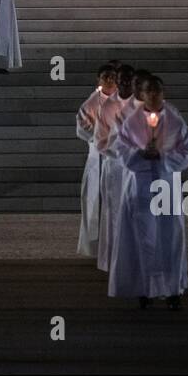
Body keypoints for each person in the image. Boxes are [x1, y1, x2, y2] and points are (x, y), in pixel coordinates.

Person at [108, 74, 188, 309]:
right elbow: (121, 148)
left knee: (171, 238)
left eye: (158, 91)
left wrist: (164, 157)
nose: (154, 95)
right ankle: (144, 287)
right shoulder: (132, 121)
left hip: (166, 186)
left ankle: (172, 289)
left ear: (163, 93)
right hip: (142, 187)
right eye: (149, 91)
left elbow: (187, 150)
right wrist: (140, 155)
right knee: (143, 239)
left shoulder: (175, 121)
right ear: (142, 94)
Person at [76, 64, 128, 260]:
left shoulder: (123, 101)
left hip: (118, 158)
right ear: (98, 80)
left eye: (112, 77)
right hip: (98, 157)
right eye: (105, 77)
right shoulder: (92, 102)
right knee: (95, 201)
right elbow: (82, 126)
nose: (109, 81)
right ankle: (96, 247)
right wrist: (101, 137)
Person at [98, 64, 137, 272]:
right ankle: (113, 260)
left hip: (136, 169)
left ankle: (132, 259)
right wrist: (119, 150)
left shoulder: (140, 105)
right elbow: (100, 140)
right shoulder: (107, 106)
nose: (123, 82)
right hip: (114, 166)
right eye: (120, 78)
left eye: (128, 79)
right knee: (114, 214)